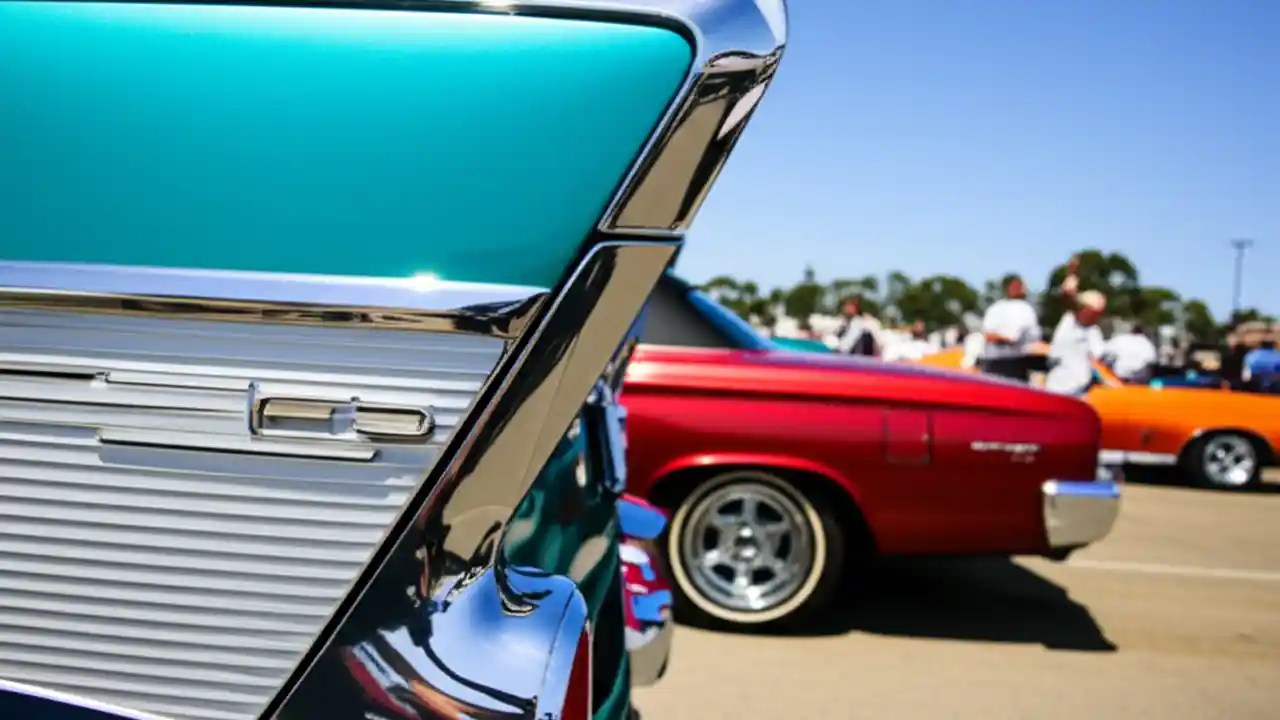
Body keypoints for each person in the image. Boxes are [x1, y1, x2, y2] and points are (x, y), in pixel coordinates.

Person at [1046, 279, 1107, 395]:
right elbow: (1068, 295)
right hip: (1058, 389)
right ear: (1085, 309)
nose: (1097, 317)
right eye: (1095, 313)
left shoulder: (1094, 331)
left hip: (1081, 391)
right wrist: (1072, 273)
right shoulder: (1069, 320)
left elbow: (1099, 360)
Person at [979, 275, 1041, 381]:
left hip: (993, 364)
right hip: (1012, 365)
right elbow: (1011, 338)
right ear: (1014, 287)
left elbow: (988, 335)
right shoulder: (1024, 309)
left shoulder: (994, 309)